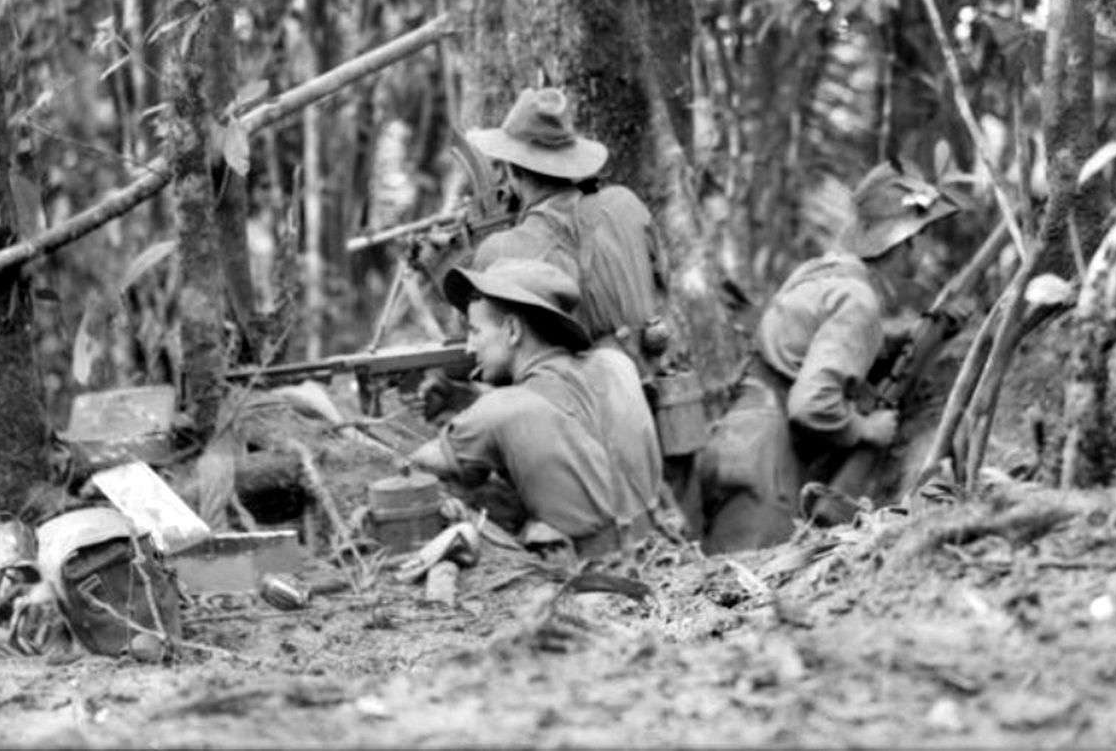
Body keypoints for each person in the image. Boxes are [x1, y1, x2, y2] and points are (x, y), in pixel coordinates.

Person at [694, 161, 964, 553]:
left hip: (737, 439)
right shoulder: (859, 302)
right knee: (748, 595)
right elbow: (811, 404)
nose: (923, 248)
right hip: (766, 462)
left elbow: (804, 345)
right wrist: (865, 429)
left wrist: (897, 341)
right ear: (904, 242)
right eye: (923, 236)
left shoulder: (820, 274)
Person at [407, 256, 661, 556]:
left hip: (589, 578)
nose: (469, 348)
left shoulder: (501, 409)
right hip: (657, 553)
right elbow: (570, 418)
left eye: (475, 331)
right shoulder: (616, 364)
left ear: (513, 330)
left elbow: (418, 465)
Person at [463, 87, 669, 379]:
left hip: (574, 412)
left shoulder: (499, 252)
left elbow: (489, 352)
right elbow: (661, 286)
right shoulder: (627, 206)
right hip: (650, 392)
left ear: (513, 171)